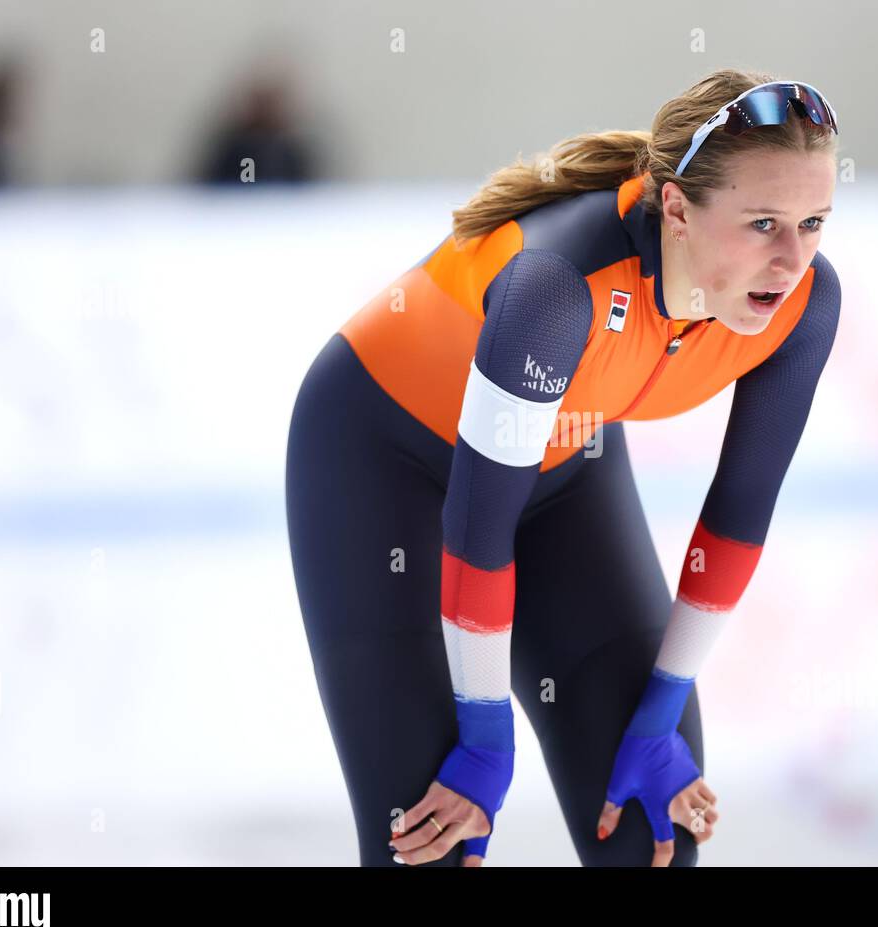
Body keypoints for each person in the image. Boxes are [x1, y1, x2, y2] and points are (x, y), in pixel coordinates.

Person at [285, 67, 843, 866]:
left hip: (562, 470)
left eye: (813, 221)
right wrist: (482, 738)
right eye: (762, 224)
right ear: (678, 208)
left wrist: (660, 709)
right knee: (430, 844)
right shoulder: (558, 286)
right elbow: (476, 529)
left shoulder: (804, 303)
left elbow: (739, 514)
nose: (791, 260)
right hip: (383, 463)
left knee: (655, 831)